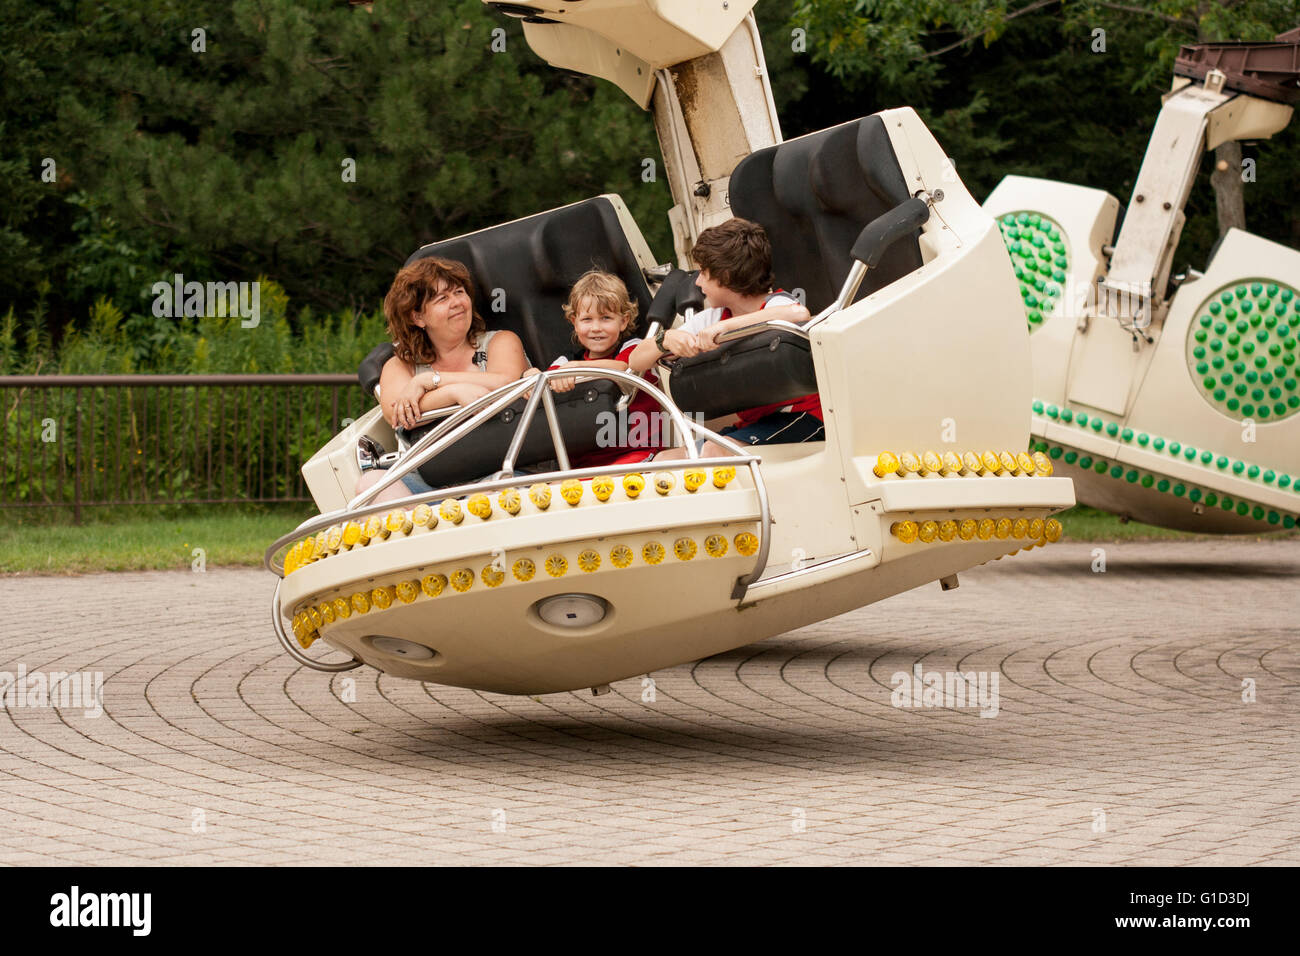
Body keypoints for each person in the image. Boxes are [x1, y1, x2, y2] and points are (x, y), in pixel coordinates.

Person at [629, 217, 815, 458]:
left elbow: (798, 313)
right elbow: (635, 361)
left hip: (803, 418)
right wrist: (663, 340)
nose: (697, 282)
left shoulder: (777, 304)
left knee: (713, 452)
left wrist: (728, 328)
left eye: (703, 273)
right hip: (757, 425)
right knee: (665, 461)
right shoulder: (711, 318)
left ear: (725, 276)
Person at [356, 256, 529, 502]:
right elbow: (397, 412)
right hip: (430, 483)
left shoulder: (501, 341)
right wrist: (451, 393)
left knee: (498, 492)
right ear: (418, 317)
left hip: (503, 471)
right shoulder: (399, 365)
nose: (457, 302)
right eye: (442, 298)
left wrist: (429, 382)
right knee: (369, 485)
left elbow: (506, 382)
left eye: (459, 292)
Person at [522, 270, 665, 468]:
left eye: (606, 318)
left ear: (623, 321)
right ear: (574, 322)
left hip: (636, 453)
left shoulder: (634, 348)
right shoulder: (566, 360)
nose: (596, 327)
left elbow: (623, 367)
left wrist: (575, 369)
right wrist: (532, 376)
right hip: (582, 464)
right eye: (587, 319)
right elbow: (546, 382)